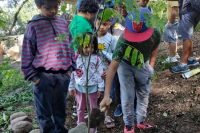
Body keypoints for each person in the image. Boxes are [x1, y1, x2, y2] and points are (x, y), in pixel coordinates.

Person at [100, 7, 161, 133]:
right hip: (125, 65)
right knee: (127, 95)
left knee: (144, 93)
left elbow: (155, 49)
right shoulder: (123, 40)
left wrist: (151, 66)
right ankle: (128, 126)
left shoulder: (156, 33)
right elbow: (112, 68)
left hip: (142, 64)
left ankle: (140, 122)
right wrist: (106, 96)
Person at [21, 0, 76, 132]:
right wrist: (35, 78)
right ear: (39, 6)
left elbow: (71, 46)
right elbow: (27, 53)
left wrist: (70, 68)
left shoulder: (63, 23)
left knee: (60, 110)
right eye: (48, 8)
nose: (53, 10)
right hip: (42, 77)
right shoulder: (33, 26)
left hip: (63, 76)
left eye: (56, 7)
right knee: (44, 114)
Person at [68, 32, 104, 133]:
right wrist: (71, 86)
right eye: (86, 46)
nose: (89, 49)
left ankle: (93, 128)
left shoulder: (96, 59)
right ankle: (80, 125)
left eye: (92, 47)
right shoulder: (76, 58)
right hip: (79, 88)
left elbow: (100, 74)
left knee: (94, 108)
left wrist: (100, 88)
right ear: (81, 45)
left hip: (93, 88)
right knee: (80, 107)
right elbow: (72, 73)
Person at [95, 16, 117, 128]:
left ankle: (107, 115)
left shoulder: (112, 39)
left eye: (106, 24)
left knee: (107, 94)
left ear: (109, 25)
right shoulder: (91, 37)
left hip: (106, 72)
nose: (102, 27)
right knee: (93, 93)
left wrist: (109, 69)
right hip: (93, 72)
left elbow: (115, 57)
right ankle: (93, 114)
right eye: (100, 23)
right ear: (95, 22)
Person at [170, 0, 200, 73]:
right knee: (188, 35)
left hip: (189, 10)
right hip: (193, 10)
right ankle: (190, 59)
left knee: (186, 37)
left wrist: (181, 12)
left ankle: (184, 64)